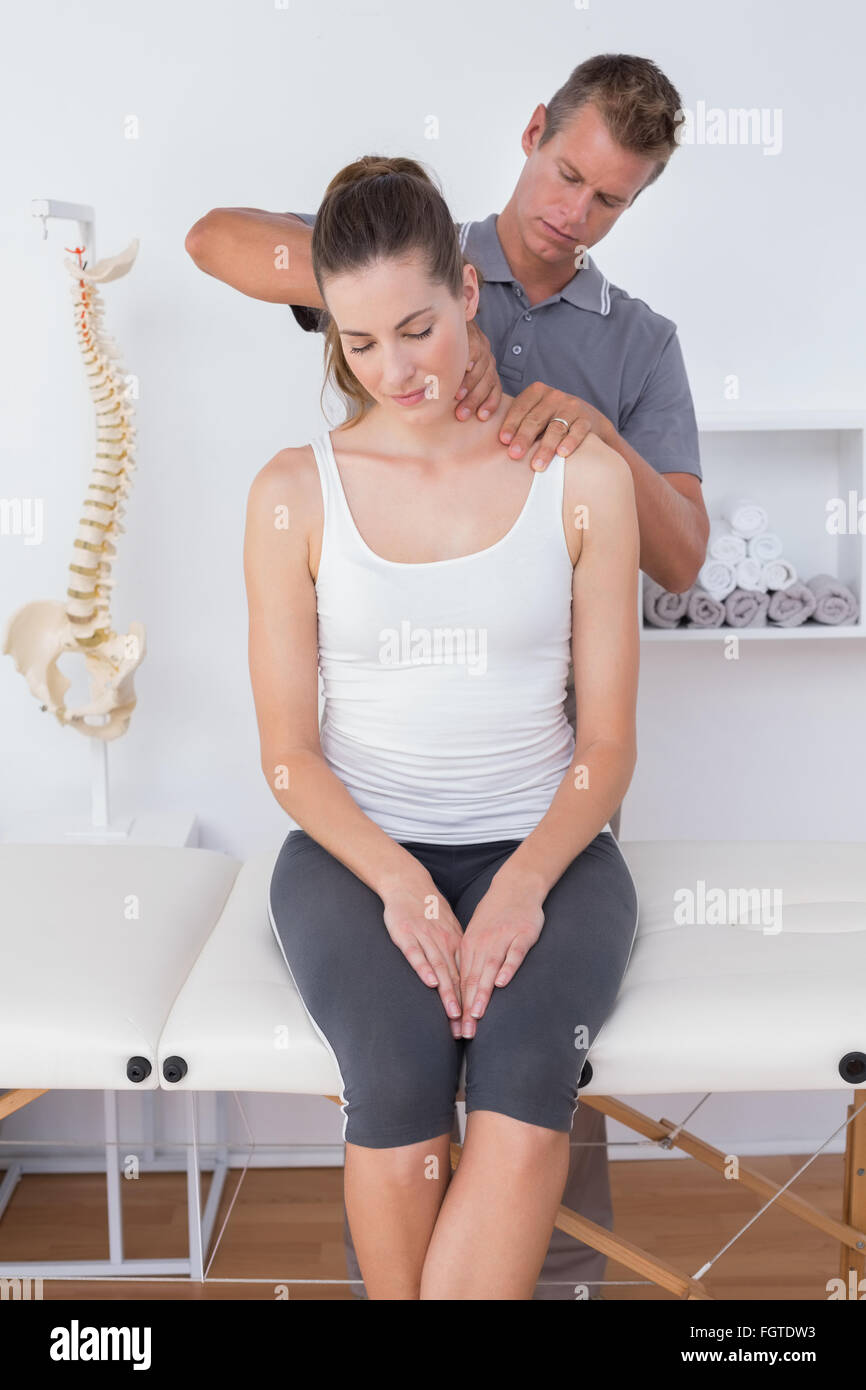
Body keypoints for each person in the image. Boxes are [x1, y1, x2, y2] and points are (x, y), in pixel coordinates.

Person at [190, 52, 710, 1301]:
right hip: (369, 837)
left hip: (546, 826)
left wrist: (578, 423)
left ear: (463, 302)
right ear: (530, 135)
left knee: (533, 1084)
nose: (571, 210)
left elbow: (677, 570)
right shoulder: (314, 450)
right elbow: (215, 238)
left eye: (607, 200)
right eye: (564, 173)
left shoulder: (623, 365)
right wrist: (358, 267)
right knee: (399, 1068)